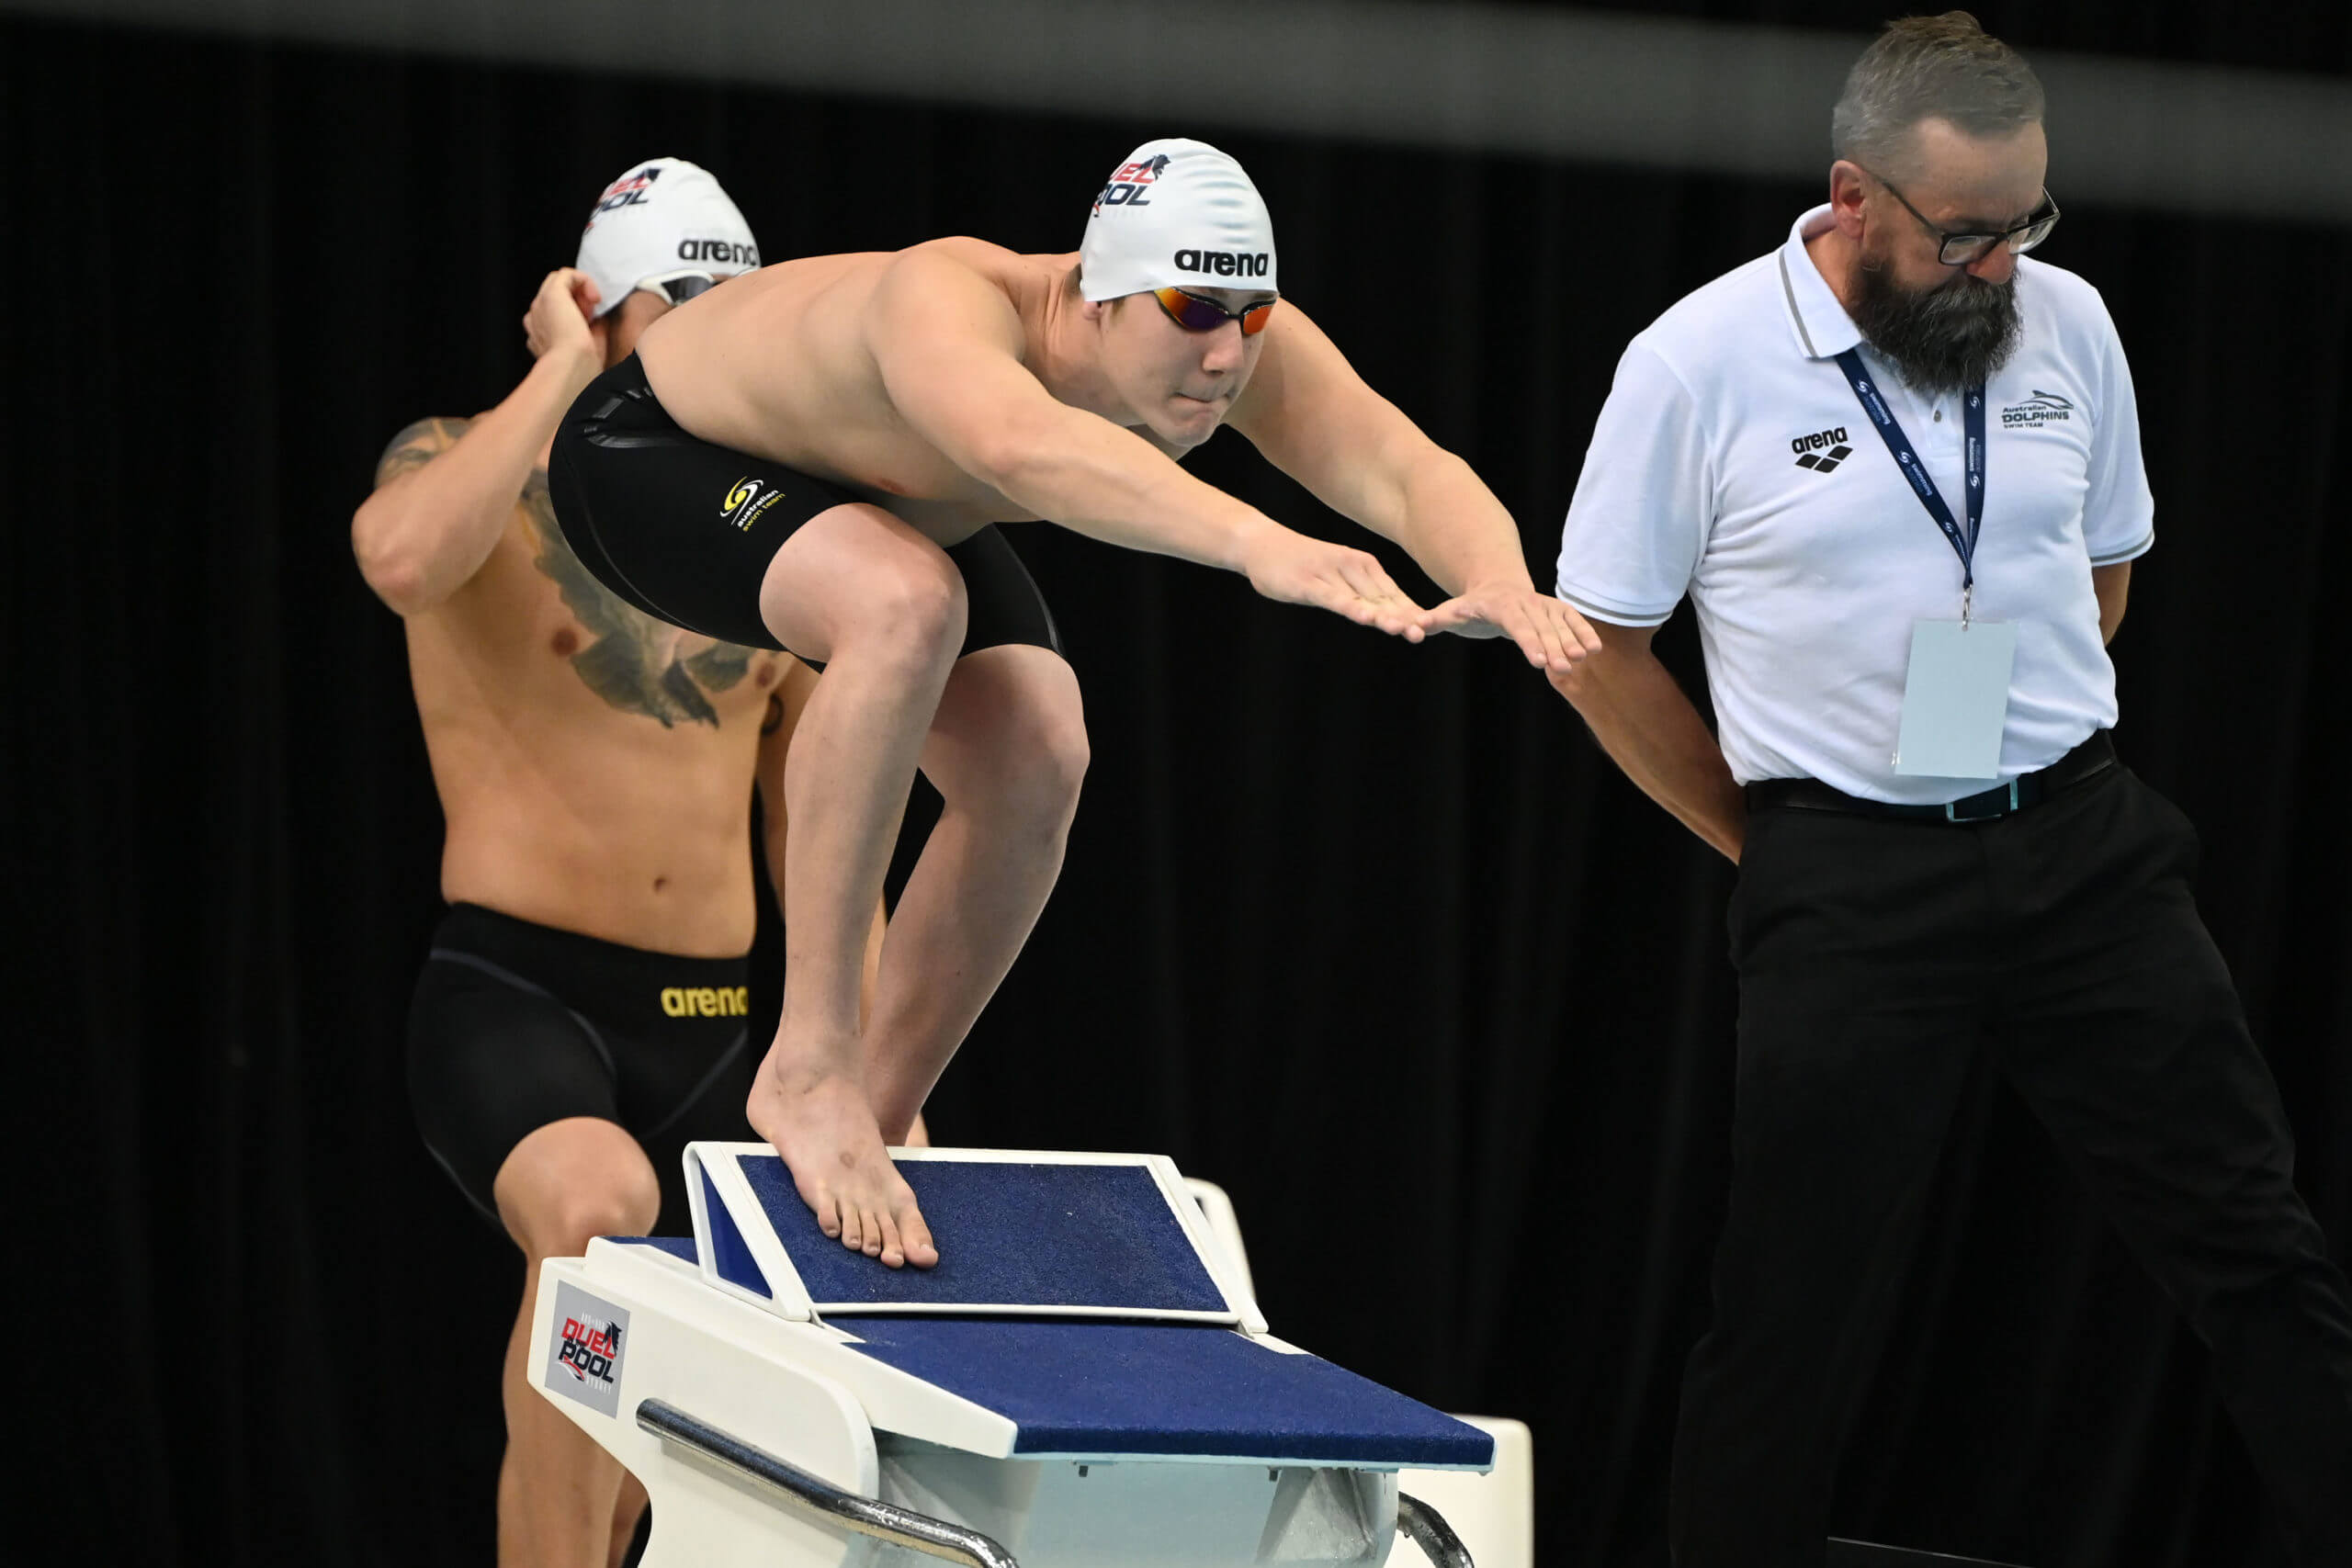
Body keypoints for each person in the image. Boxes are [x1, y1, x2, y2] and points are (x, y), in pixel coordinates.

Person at [1546, 15, 2352, 1565]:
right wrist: (1766, 835)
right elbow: (1599, 649)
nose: (2001, 265)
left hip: (2085, 851)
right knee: (1788, 1314)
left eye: (2027, 221)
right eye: (1965, 233)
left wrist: (2004, 722)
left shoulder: (2074, 325)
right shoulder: (1698, 362)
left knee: (2257, 1247)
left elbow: (2101, 570)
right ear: (1854, 199)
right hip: (1849, 885)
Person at [547, 137, 1600, 1273]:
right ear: (1096, 296)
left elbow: (1401, 466)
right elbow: (1025, 448)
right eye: (1192, 309)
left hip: (881, 500)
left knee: (1040, 752)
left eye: (1248, 317)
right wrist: (1259, 543)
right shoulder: (947, 301)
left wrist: (1496, 574)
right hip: (653, 451)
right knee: (905, 603)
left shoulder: (1237, 338)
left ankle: (876, 1115)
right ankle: (808, 1069)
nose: (1224, 355)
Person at [353, 157, 898, 1568]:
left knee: (670, 1394)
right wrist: (559, 378)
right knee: (596, 1222)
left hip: (716, 1026)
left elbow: (824, 832)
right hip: (521, 997)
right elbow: (401, 561)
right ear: (602, 308)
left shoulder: (772, 540)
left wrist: (876, 1075)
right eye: (685, 310)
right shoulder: (470, 462)